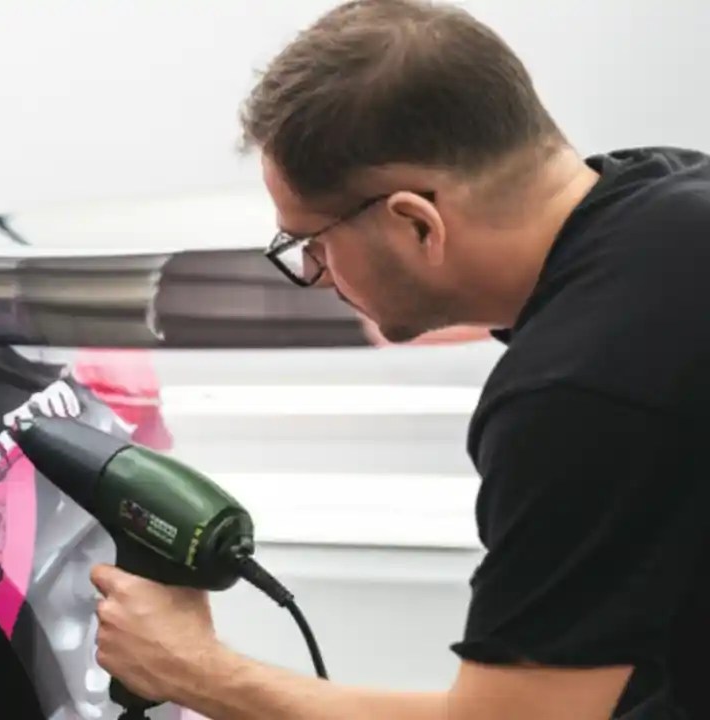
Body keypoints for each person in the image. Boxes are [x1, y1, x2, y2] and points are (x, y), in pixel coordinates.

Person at [86, 1, 710, 718]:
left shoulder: (574, 396)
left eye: (312, 244)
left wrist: (194, 669)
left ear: (416, 223)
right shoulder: (668, 194)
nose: (319, 274)